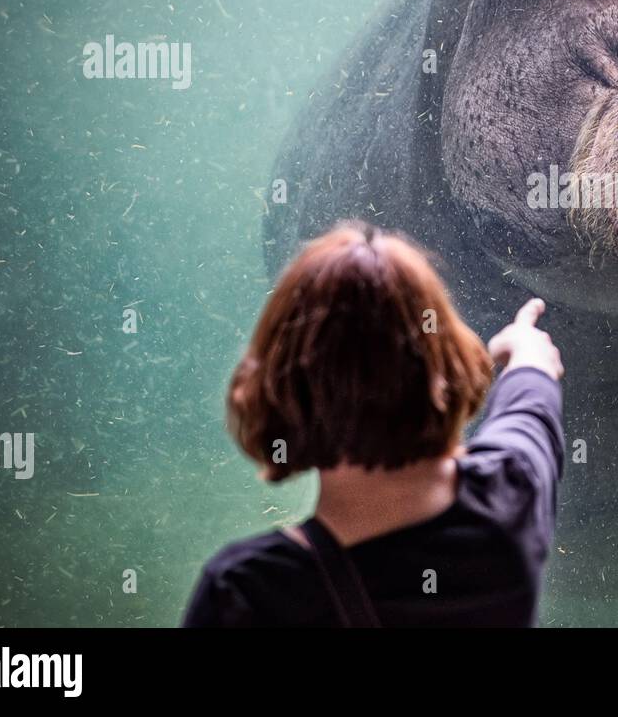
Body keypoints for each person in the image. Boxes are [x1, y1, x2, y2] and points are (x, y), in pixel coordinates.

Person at [181, 221, 564, 627]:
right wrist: (523, 346)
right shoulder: (514, 493)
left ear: (279, 391)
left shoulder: (246, 591)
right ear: (453, 366)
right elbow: (530, 400)